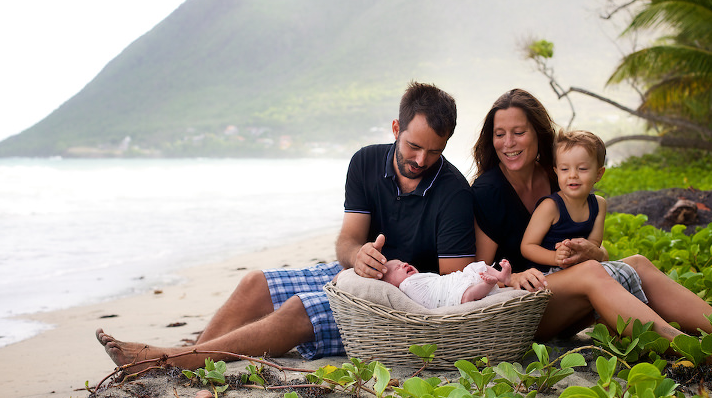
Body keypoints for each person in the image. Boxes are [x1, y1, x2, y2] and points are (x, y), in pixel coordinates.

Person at [97, 81, 475, 371]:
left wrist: (395, 280)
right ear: (396, 128)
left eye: (434, 151)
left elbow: (450, 289)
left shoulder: (454, 192)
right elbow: (347, 242)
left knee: (299, 309)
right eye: (413, 146)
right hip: (358, 275)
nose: (422, 160)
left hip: (401, 302)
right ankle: (189, 365)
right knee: (255, 283)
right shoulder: (365, 162)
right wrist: (358, 256)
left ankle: (169, 361)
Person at [470, 88, 712, 376]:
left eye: (518, 132)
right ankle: (699, 352)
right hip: (519, 309)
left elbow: (597, 253)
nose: (508, 143)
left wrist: (594, 252)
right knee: (591, 272)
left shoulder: (557, 174)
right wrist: (513, 276)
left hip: (563, 294)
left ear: (538, 135)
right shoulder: (488, 191)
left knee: (637, 262)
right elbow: (473, 271)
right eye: (499, 133)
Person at [521, 129, 607, 273]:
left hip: (584, 269)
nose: (573, 175)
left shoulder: (599, 204)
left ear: (598, 174)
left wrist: (584, 249)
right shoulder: (550, 206)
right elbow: (527, 246)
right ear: (556, 171)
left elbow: (594, 244)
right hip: (547, 274)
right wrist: (555, 257)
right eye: (565, 169)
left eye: (582, 169)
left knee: (638, 262)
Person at [381, 258, 512, 308]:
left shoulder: (421, 278)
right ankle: (487, 285)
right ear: (393, 285)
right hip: (449, 296)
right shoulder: (406, 287)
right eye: (397, 267)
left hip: (453, 281)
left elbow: (438, 281)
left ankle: (501, 276)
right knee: (465, 296)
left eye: (402, 262)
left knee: (474, 266)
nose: (404, 264)